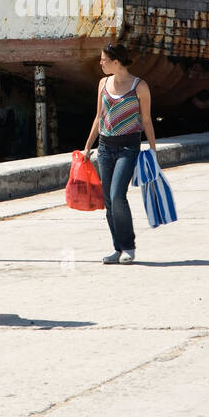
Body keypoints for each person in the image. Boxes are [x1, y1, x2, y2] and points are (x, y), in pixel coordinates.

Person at [82, 44, 159, 264]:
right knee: (108, 201)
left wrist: (153, 150)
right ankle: (117, 248)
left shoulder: (139, 86)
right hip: (105, 148)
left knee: (117, 195)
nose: (100, 63)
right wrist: (88, 147)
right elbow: (98, 118)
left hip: (129, 147)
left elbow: (146, 120)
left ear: (117, 62)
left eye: (104, 59)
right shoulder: (102, 84)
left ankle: (128, 246)